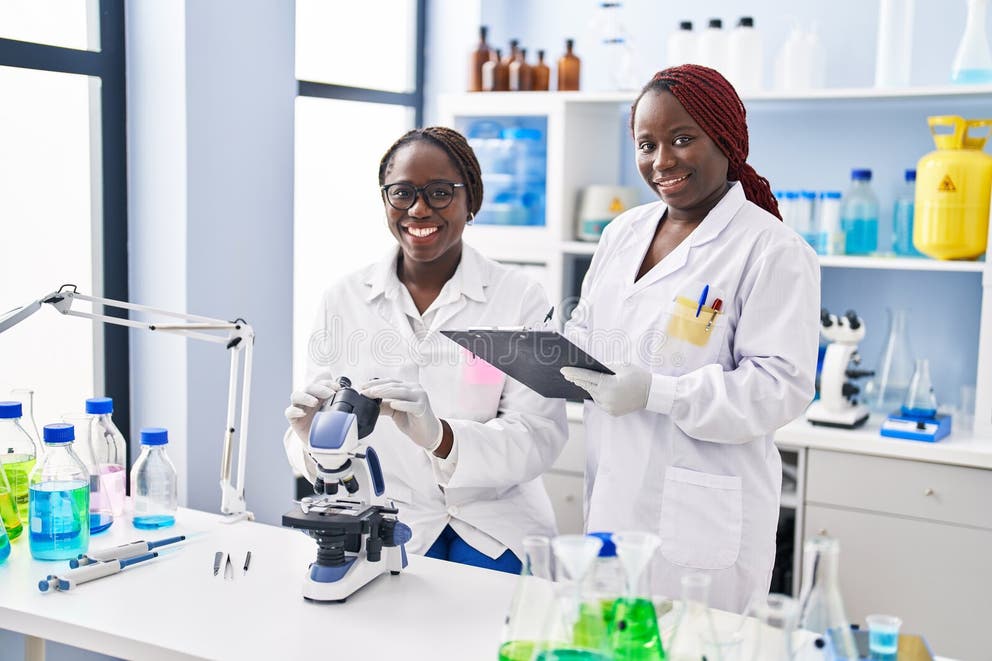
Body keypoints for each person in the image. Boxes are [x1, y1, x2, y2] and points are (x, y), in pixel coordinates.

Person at [560, 65, 820, 612]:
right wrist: (552, 356)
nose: (663, 161)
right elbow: (588, 329)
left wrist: (657, 392)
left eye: (683, 139)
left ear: (726, 140)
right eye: (646, 144)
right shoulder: (621, 233)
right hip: (612, 497)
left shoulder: (772, 250)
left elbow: (779, 389)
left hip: (701, 519)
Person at [283, 127, 567, 574]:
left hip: (496, 526)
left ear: (470, 200)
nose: (419, 209)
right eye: (402, 193)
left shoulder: (519, 297)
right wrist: (312, 442)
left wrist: (442, 437)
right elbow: (324, 448)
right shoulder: (343, 298)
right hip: (388, 521)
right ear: (385, 201)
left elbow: (539, 434)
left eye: (439, 192)